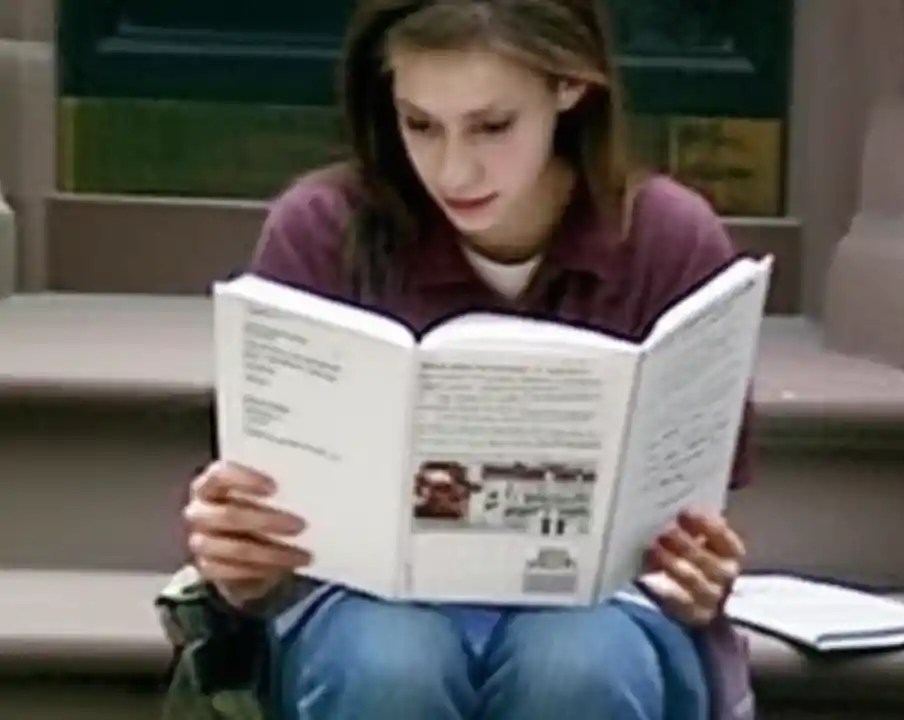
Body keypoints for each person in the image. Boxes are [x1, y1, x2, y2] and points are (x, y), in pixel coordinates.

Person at [180, 1, 757, 719]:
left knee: (578, 666)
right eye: (420, 124)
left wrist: (702, 574)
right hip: (366, 610)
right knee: (389, 665)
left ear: (569, 88)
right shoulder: (322, 232)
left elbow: (695, 511)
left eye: (492, 126)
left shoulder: (669, 241)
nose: (453, 169)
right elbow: (264, 503)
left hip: (603, 615)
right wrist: (240, 557)